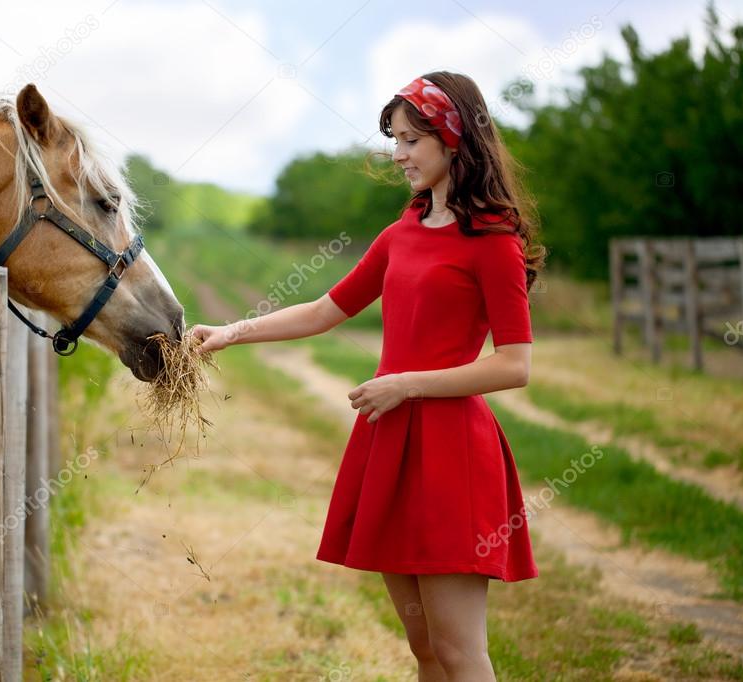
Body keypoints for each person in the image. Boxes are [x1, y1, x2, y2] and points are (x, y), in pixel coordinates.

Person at [189, 70, 547, 681]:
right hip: (392, 443)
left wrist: (406, 382)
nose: (398, 154)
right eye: (395, 139)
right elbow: (326, 310)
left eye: (411, 140)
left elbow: (515, 365)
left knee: (461, 652)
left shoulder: (492, 241)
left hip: (452, 452)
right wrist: (232, 332)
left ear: (454, 138)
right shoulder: (401, 233)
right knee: (426, 650)